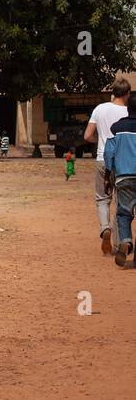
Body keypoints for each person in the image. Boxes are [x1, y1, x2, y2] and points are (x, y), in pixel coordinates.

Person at [85, 77, 132, 255]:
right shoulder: (129, 112)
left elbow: (87, 136)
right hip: (122, 162)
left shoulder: (100, 109)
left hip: (102, 159)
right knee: (121, 203)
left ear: (113, 92)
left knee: (102, 198)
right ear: (127, 93)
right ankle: (120, 243)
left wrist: (101, 142)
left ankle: (105, 228)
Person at [104, 99, 136, 267]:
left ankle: (126, 241)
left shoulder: (116, 128)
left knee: (124, 214)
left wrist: (107, 176)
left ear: (128, 109)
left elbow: (109, 153)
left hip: (124, 177)